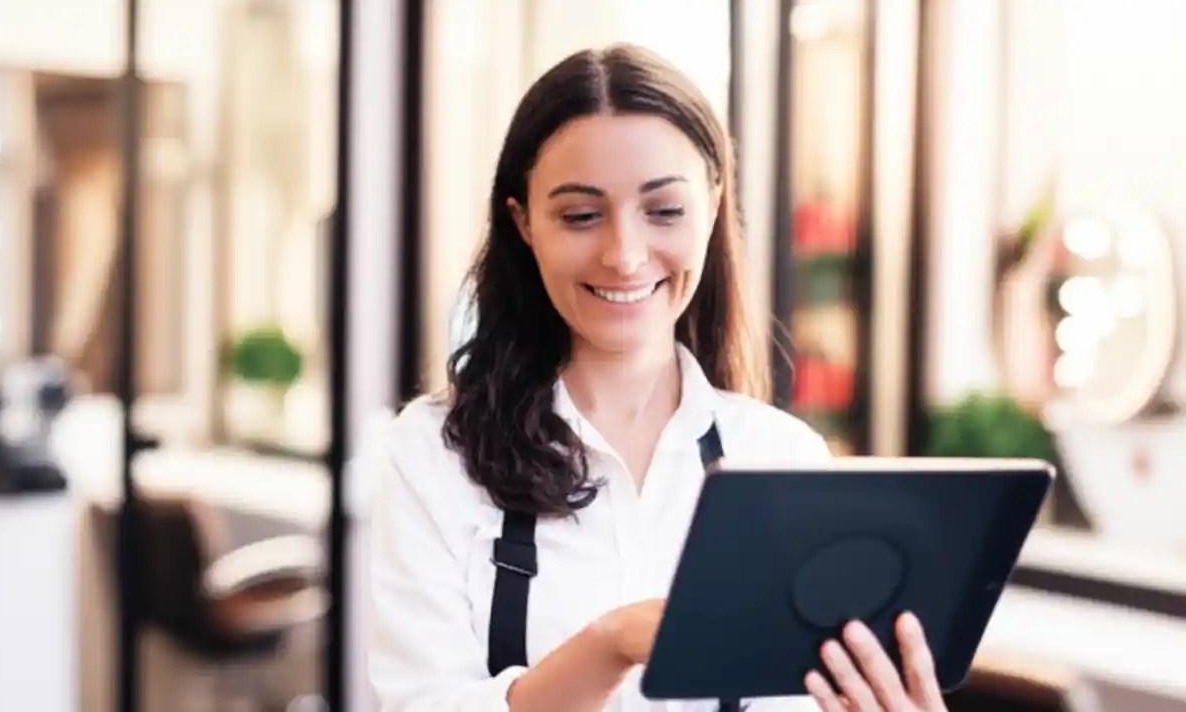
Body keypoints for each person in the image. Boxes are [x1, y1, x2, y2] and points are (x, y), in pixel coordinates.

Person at [368, 44, 947, 712]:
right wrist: (611, 643)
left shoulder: (781, 458)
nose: (625, 255)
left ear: (712, 206)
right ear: (523, 222)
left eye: (664, 211)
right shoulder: (436, 453)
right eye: (581, 216)